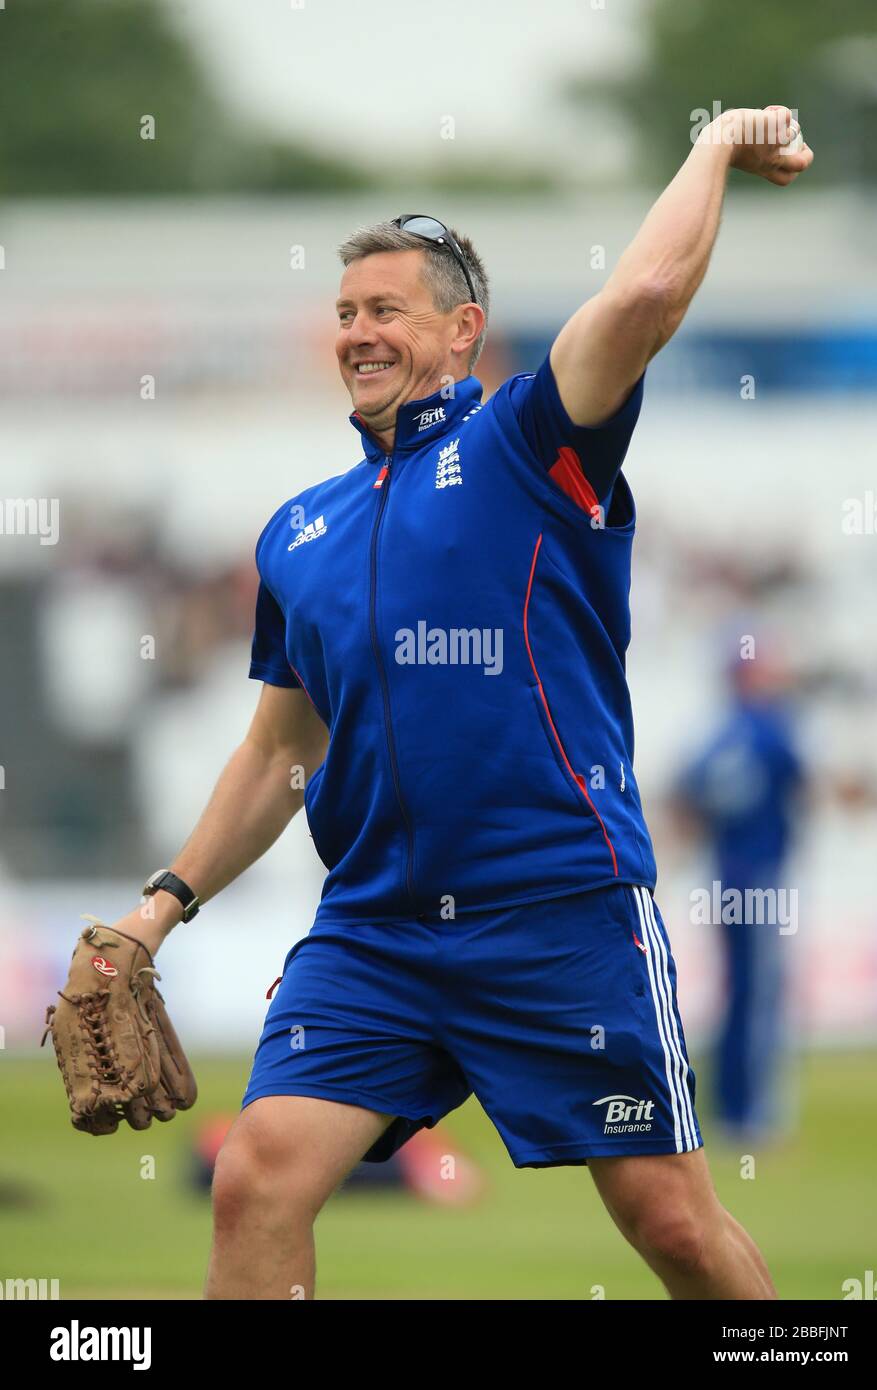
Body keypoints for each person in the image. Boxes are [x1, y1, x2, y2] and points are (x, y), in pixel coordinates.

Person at [107, 107, 812, 1300]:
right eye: (343, 314)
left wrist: (707, 150)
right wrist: (157, 908)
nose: (358, 334)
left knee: (674, 1227)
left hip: (557, 909)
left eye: (386, 310)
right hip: (376, 929)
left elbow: (641, 299)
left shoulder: (530, 442)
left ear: (461, 328)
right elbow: (280, 749)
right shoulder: (299, 532)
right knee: (257, 1175)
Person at [674, 636, 806, 1141]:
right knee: (758, 996)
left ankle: (726, 1104)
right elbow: (806, 787)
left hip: (725, 880)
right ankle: (750, 1116)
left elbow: (687, 799)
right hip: (763, 880)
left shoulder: (716, 736)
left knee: (736, 992)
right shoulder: (772, 730)